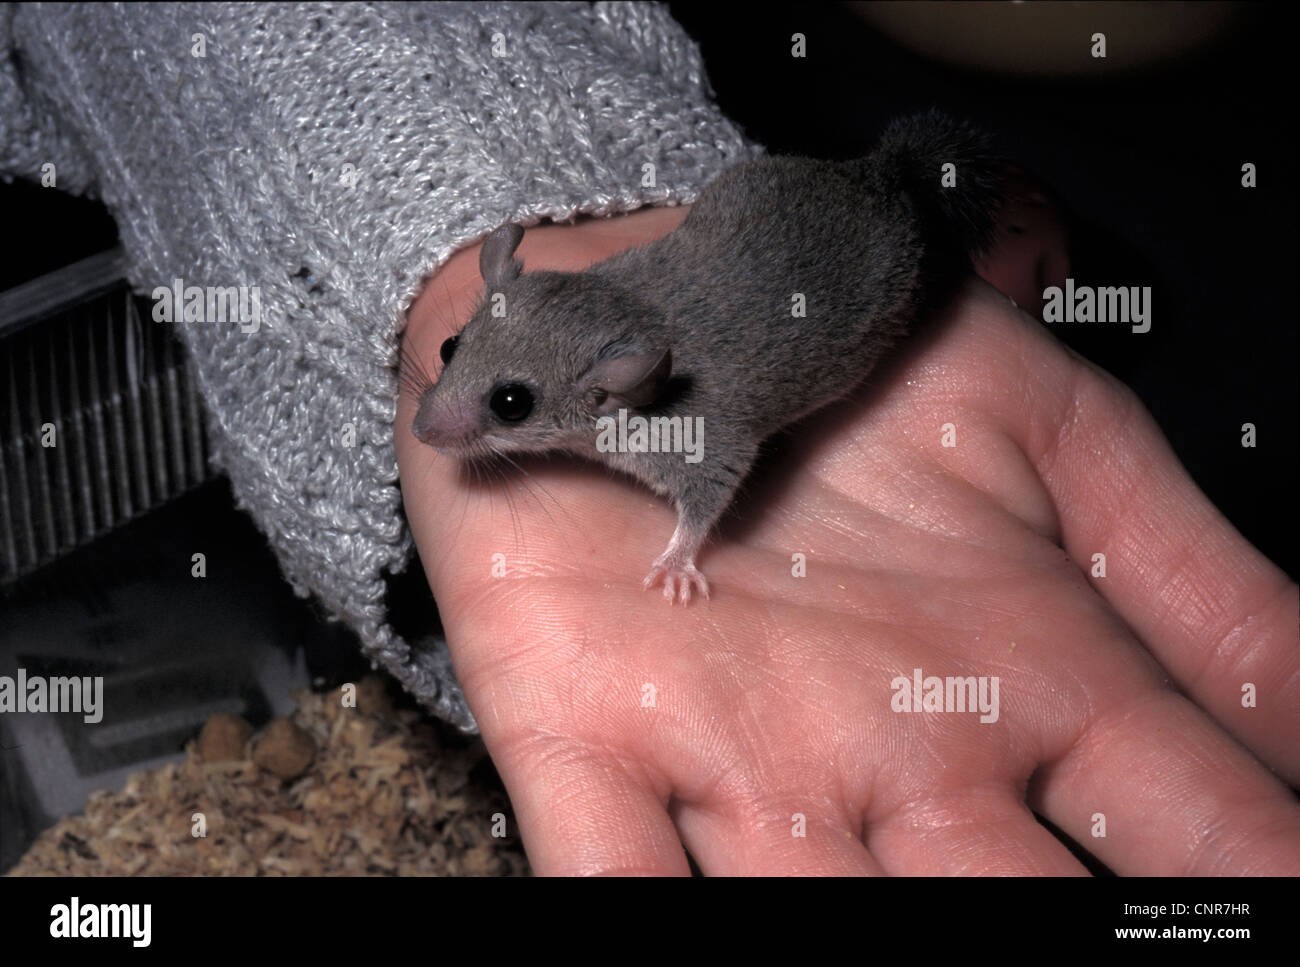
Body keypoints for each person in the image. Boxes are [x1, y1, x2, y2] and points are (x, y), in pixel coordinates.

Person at [5, 2, 1296, 875]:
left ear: (616, 391)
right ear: (505, 289)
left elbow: (722, 456)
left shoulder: (677, 412)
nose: (446, 417)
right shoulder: (569, 340)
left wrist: (687, 547)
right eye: (464, 368)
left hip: (856, 239)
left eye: (502, 410)